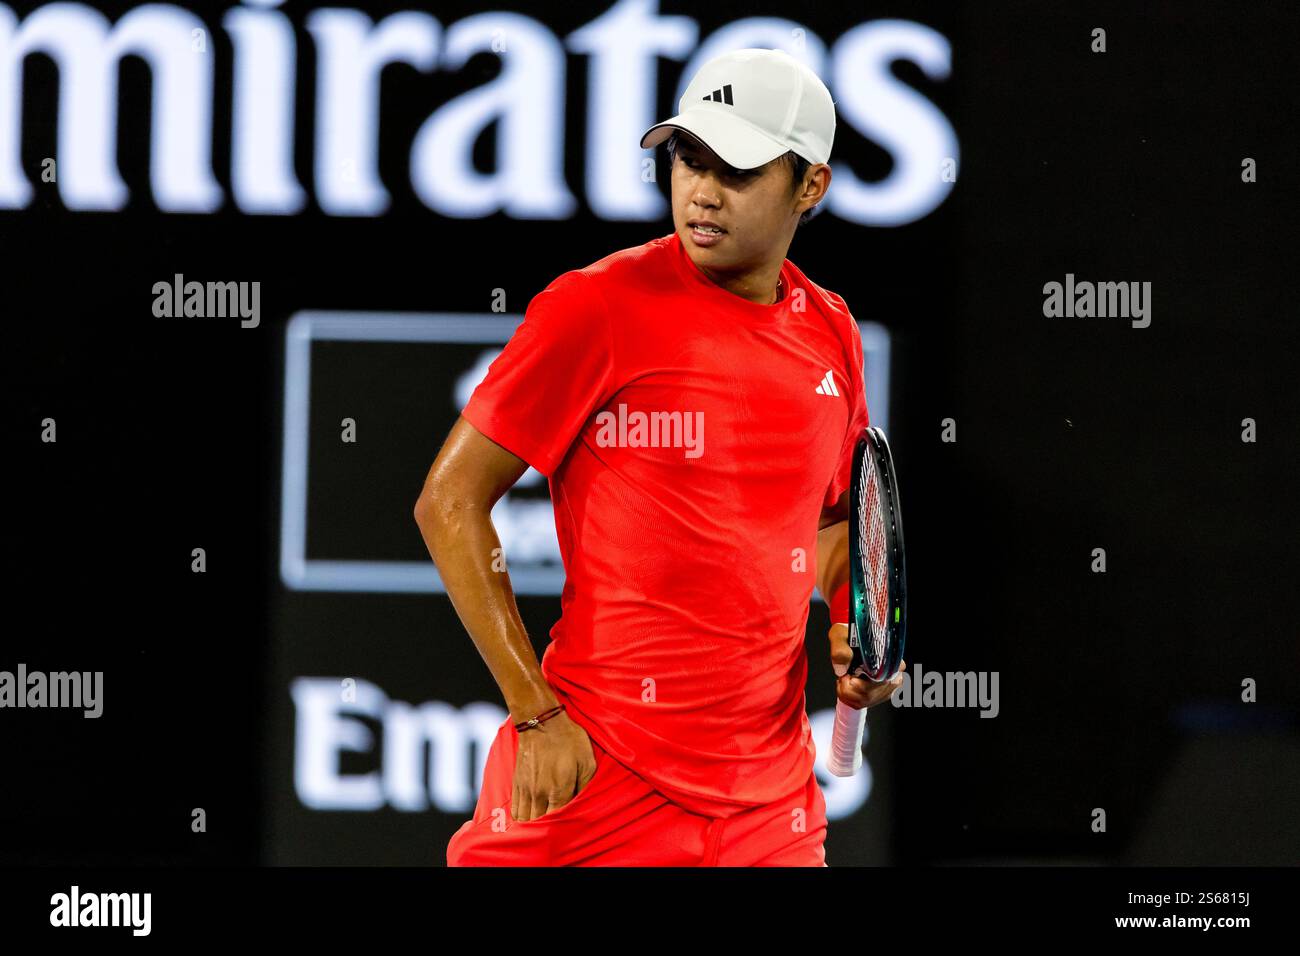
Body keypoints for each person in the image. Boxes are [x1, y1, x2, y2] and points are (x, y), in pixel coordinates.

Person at [414, 47, 903, 867]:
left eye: (738, 169)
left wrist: (853, 607)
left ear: (809, 186)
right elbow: (449, 501)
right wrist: (535, 713)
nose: (702, 192)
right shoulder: (595, 308)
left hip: (769, 803)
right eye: (688, 159)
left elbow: (827, 523)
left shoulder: (832, 332)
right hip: (594, 773)